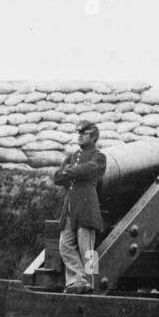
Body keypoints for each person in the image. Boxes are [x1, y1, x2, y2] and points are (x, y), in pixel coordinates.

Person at [52, 118, 107, 293]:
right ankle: (77, 280)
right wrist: (68, 172)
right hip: (69, 208)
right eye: (79, 133)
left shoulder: (99, 156)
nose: (80, 136)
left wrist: (68, 171)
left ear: (93, 137)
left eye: (84, 134)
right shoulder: (72, 156)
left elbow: (91, 169)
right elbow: (57, 177)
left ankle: (91, 284)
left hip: (86, 207)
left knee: (87, 250)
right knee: (65, 246)